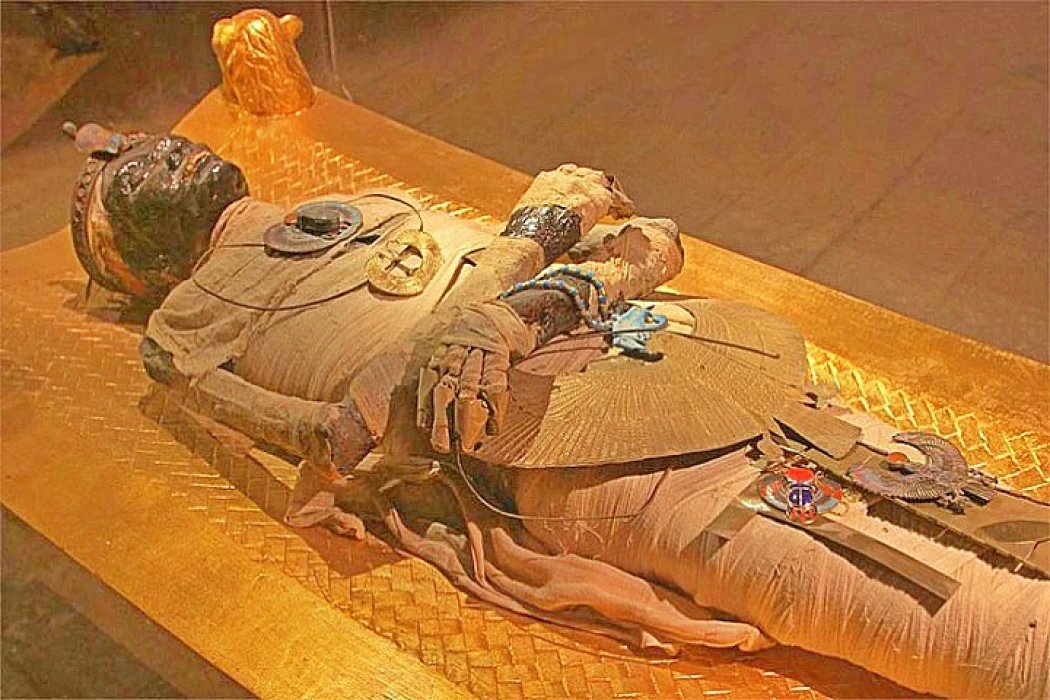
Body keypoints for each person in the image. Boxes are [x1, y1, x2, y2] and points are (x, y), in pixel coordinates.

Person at [68, 124, 1048, 698]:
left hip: (662, 350)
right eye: (130, 173)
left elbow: (629, 246)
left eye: (154, 144)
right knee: (887, 575)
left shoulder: (361, 200)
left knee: (922, 479)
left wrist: (538, 294)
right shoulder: (186, 329)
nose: (159, 150)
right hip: (555, 445)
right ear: (133, 257)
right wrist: (505, 288)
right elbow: (338, 438)